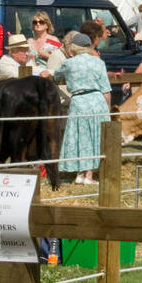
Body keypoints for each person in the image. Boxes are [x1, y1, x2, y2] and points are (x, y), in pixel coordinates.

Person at [54, 33, 110, 186]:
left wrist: (46, 73)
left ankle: (79, 174)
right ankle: (88, 176)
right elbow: (106, 89)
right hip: (97, 100)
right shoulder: (98, 63)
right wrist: (108, 109)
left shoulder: (69, 63)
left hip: (78, 101)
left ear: (73, 48)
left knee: (79, 136)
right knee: (94, 138)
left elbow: (55, 74)